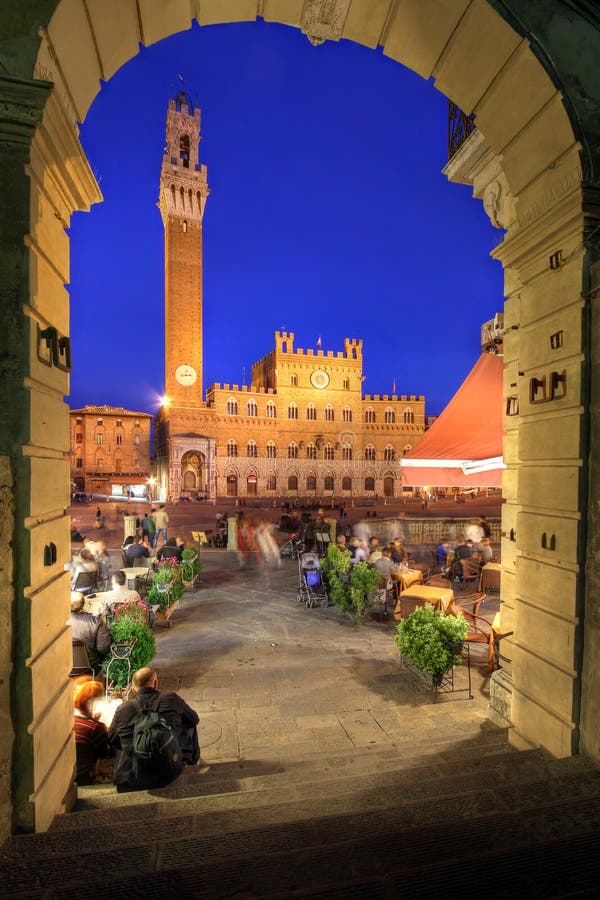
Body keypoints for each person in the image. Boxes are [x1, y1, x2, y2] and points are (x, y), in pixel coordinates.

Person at [108, 666, 200, 792]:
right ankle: (191, 762)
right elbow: (194, 719)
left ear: (134, 690)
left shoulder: (123, 709)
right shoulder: (171, 698)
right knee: (189, 723)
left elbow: (112, 738)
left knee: (122, 739)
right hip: (171, 767)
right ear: (156, 683)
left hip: (134, 774)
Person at [72, 680, 113, 785]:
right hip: (84, 777)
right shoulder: (97, 727)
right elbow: (103, 755)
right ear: (92, 702)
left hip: (67, 773)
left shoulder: (69, 721)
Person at [68, 592, 113, 670]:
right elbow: (105, 649)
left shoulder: (58, 623)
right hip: (91, 668)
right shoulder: (96, 622)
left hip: (64, 667)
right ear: (83, 604)